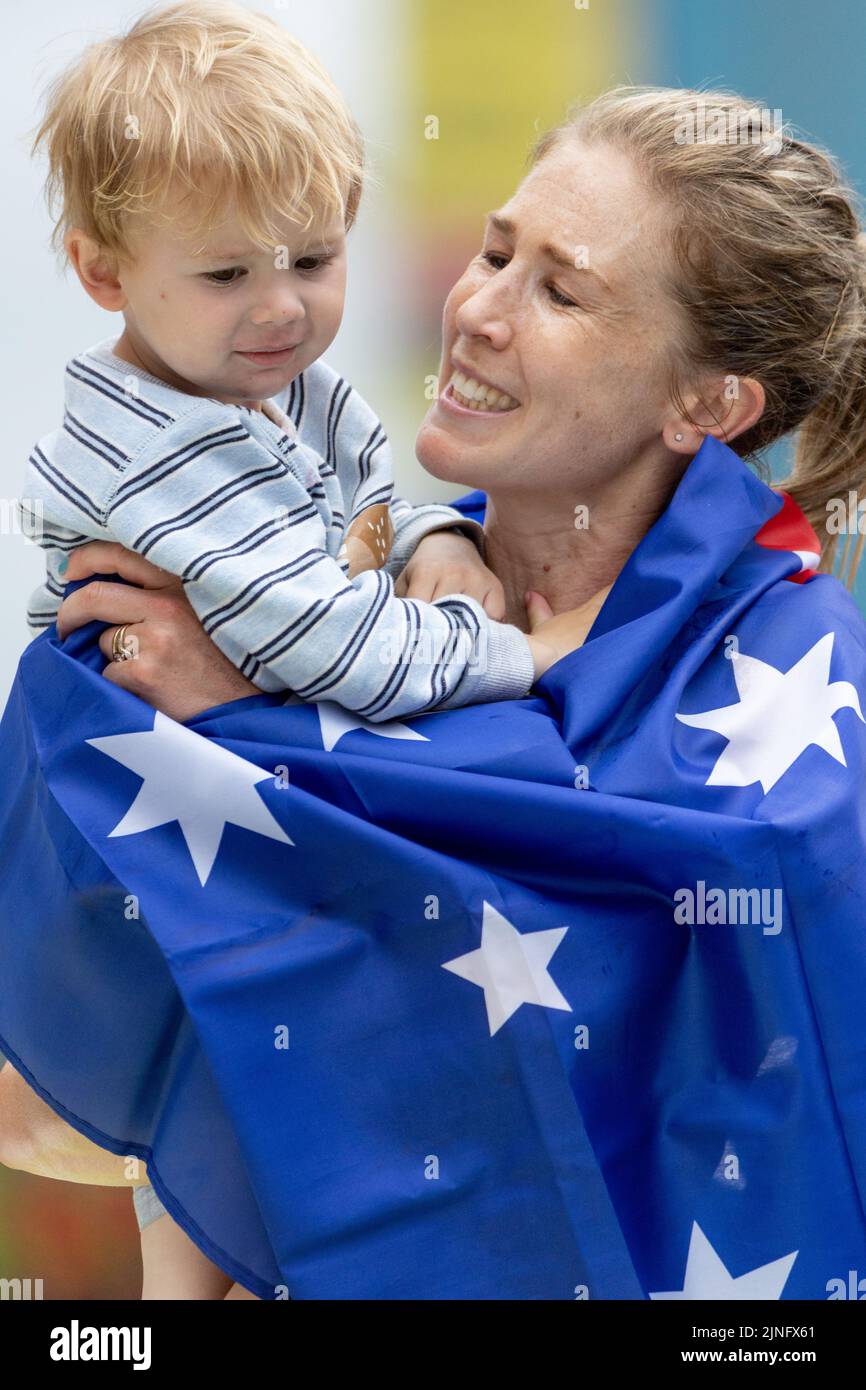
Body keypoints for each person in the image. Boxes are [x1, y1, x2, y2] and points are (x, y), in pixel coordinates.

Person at [3, 82, 866, 1300]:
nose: (476, 313)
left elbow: (725, 982)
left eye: (558, 291)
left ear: (706, 403)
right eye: (494, 251)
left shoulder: (786, 686)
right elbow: (49, 1111)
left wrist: (265, 716)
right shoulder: (291, 579)